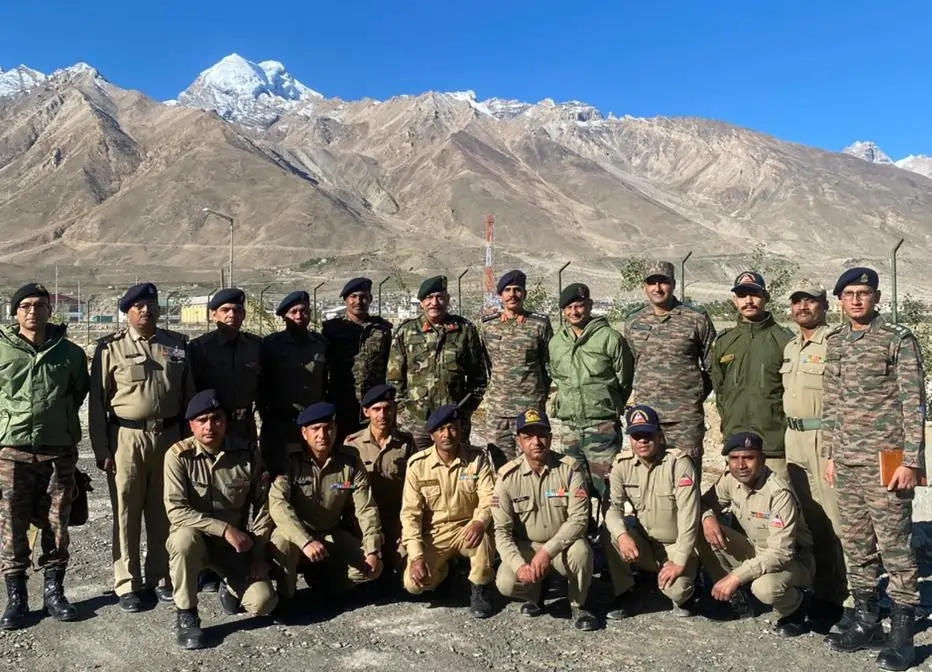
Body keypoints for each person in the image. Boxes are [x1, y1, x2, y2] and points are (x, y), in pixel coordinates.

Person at [822, 267, 925, 671]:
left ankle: (902, 635)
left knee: (896, 548)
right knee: (856, 544)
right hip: (846, 461)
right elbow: (832, 402)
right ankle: (866, 620)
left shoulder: (896, 339)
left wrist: (912, 462)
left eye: (863, 293)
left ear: (876, 297)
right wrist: (830, 454)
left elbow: (914, 402)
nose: (856, 300)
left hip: (887, 461)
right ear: (841, 301)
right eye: (848, 294)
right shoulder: (837, 342)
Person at [89, 282, 194, 612]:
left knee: (165, 509)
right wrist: (101, 448)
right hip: (127, 438)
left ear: (159, 310)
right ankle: (126, 582)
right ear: (127, 312)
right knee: (126, 510)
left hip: (170, 437)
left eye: (151, 305)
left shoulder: (177, 345)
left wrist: (189, 441)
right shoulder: (110, 349)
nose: (146, 310)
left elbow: (189, 395)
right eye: (138, 306)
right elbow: (97, 403)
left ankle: (159, 576)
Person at [0, 283, 89, 629]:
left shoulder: (70, 354)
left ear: (50, 310)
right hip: (12, 451)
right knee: (11, 523)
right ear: (15, 312)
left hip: (58, 451)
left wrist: (58, 422)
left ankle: (54, 592)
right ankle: (16, 597)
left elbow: (77, 393)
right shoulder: (3, 351)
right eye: (25, 306)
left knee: (58, 522)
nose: (32, 312)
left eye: (40, 305)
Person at [163, 390, 277, 649]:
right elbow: (177, 510)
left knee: (264, 603)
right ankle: (186, 614)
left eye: (216, 419)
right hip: (197, 542)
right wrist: (224, 529)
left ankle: (230, 586)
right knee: (182, 541)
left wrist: (259, 555)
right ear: (191, 425)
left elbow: (263, 507)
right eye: (202, 420)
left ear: (226, 421)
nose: (210, 426)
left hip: (232, 549)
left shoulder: (246, 453)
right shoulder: (178, 456)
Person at [697, 432, 813, 636]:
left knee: (764, 588)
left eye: (748, 458)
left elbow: (781, 553)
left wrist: (735, 576)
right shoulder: (731, 480)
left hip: (793, 561)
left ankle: (798, 607)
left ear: (762, 460)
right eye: (734, 458)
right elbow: (705, 503)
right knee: (700, 529)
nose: (741, 465)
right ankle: (737, 601)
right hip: (756, 550)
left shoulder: (778, 493)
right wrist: (707, 518)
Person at [268, 402, 383, 610]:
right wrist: (305, 541)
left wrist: (373, 549)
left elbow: (366, 507)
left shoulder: (349, 462)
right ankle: (286, 597)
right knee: (282, 544)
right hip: (295, 534)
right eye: (315, 429)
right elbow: (278, 505)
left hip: (330, 533)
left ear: (336, 430)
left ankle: (326, 585)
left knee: (371, 568)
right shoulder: (290, 461)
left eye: (328, 428)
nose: (323, 434)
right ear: (304, 433)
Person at [492, 409, 597, 631]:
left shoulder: (569, 468)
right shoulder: (506, 477)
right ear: (518, 441)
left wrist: (547, 552)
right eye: (528, 437)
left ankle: (578, 604)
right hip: (528, 546)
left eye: (541, 435)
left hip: (562, 546)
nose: (536, 442)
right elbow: (501, 531)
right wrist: (519, 566)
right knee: (506, 582)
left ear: (550, 437)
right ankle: (536, 593)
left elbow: (579, 519)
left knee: (581, 552)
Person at [781, 284, 848, 630]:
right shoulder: (792, 346)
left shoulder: (835, 342)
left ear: (824, 304)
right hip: (793, 437)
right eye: (797, 301)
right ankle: (821, 590)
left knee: (835, 517)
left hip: (823, 436)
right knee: (808, 519)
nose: (803, 306)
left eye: (810, 300)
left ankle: (845, 598)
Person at [603, 405, 700, 619]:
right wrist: (622, 535)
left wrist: (680, 560)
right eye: (637, 436)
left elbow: (689, 516)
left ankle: (692, 578)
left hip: (676, 545)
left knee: (678, 591)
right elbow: (613, 509)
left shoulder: (679, 464)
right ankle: (627, 590)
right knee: (611, 533)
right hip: (645, 543)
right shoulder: (622, 465)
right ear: (630, 439)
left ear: (659, 434)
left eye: (648, 434)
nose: (643, 441)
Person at [400, 405, 495, 618]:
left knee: (484, 536)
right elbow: (410, 514)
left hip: (468, 527)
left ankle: (479, 587)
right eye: (441, 430)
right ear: (432, 434)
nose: (447, 435)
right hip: (436, 533)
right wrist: (416, 556)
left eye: (452, 428)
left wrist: (480, 522)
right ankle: (446, 573)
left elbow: (490, 497)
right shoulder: (418, 465)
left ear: (460, 429)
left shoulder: (477, 458)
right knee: (414, 585)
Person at [623, 261, 715, 460]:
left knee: (687, 479)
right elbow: (631, 366)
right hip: (647, 418)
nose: (657, 288)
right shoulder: (633, 322)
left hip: (685, 420)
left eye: (663, 282)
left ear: (673, 284)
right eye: (651, 283)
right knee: (649, 477)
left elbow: (712, 367)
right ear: (644, 287)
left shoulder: (696, 319)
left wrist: (694, 395)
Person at [549, 282, 633, 498]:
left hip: (601, 427)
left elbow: (624, 380)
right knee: (573, 488)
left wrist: (605, 405)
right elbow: (557, 378)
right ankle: (582, 530)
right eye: (568, 308)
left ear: (589, 305)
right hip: (569, 428)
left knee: (608, 489)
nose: (574, 312)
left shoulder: (610, 338)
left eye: (579, 306)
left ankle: (609, 531)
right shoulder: (557, 343)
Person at [387, 275, 488, 450]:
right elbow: (394, 378)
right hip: (417, 421)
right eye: (428, 298)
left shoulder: (464, 330)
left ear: (447, 300)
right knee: (417, 468)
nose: (434, 302)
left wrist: (464, 411)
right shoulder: (407, 331)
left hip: (454, 420)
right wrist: (404, 412)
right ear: (421, 303)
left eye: (439, 297)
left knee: (457, 468)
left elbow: (479, 377)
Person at [709, 272, 793, 479]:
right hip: (737, 442)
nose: (748, 301)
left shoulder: (784, 340)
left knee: (779, 501)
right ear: (734, 300)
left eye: (754, 294)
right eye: (742, 295)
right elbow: (720, 390)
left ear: (765, 297)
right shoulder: (725, 342)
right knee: (741, 502)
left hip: (773, 443)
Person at [481, 270, 553, 467]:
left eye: (517, 290)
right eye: (507, 290)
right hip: (498, 409)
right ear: (500, 295)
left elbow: (548, 365)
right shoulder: (489, 326)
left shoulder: (539, 324)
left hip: (529, 407)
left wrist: (539, 395)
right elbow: (488, 364)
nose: (512, 294)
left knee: (532, 462)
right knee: (500, 464)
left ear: (525, 294)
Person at [343, 384, 416, 577]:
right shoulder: (352, 444)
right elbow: (341, 485)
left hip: (395, 519)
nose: (382, 414)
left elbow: (415, 485)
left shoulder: (406, 444)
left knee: (406, 564)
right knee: (364, 564)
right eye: (376, 409)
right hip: (361, 520)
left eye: (387, 408)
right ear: (366, 412)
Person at [259, 290, 328, 475]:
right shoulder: (270, 345)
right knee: (277, 473)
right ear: (284, 316)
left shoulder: (320, 344)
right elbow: (261, 383)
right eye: (293, 312)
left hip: (312, 422)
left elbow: (326, 380)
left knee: (311, 473)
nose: (299, 316)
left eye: (304, 311)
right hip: (280, 422)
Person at [322, 277, 393, 443]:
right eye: (353, 296)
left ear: (370, 299)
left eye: (363, 297)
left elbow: (390, 364)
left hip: (373, 404)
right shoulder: (332, 329)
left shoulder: (382, 330)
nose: (358, 301)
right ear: (346, 300)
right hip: (341, 401)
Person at [189, 288, 262, 446]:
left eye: (237, 310)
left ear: (243, 315)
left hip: (245, 424)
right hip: (213, 425)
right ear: (213, 315)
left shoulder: (255, 346)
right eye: (225, 310)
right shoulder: (200, 348)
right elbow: (191, 388)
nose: (231, 315)